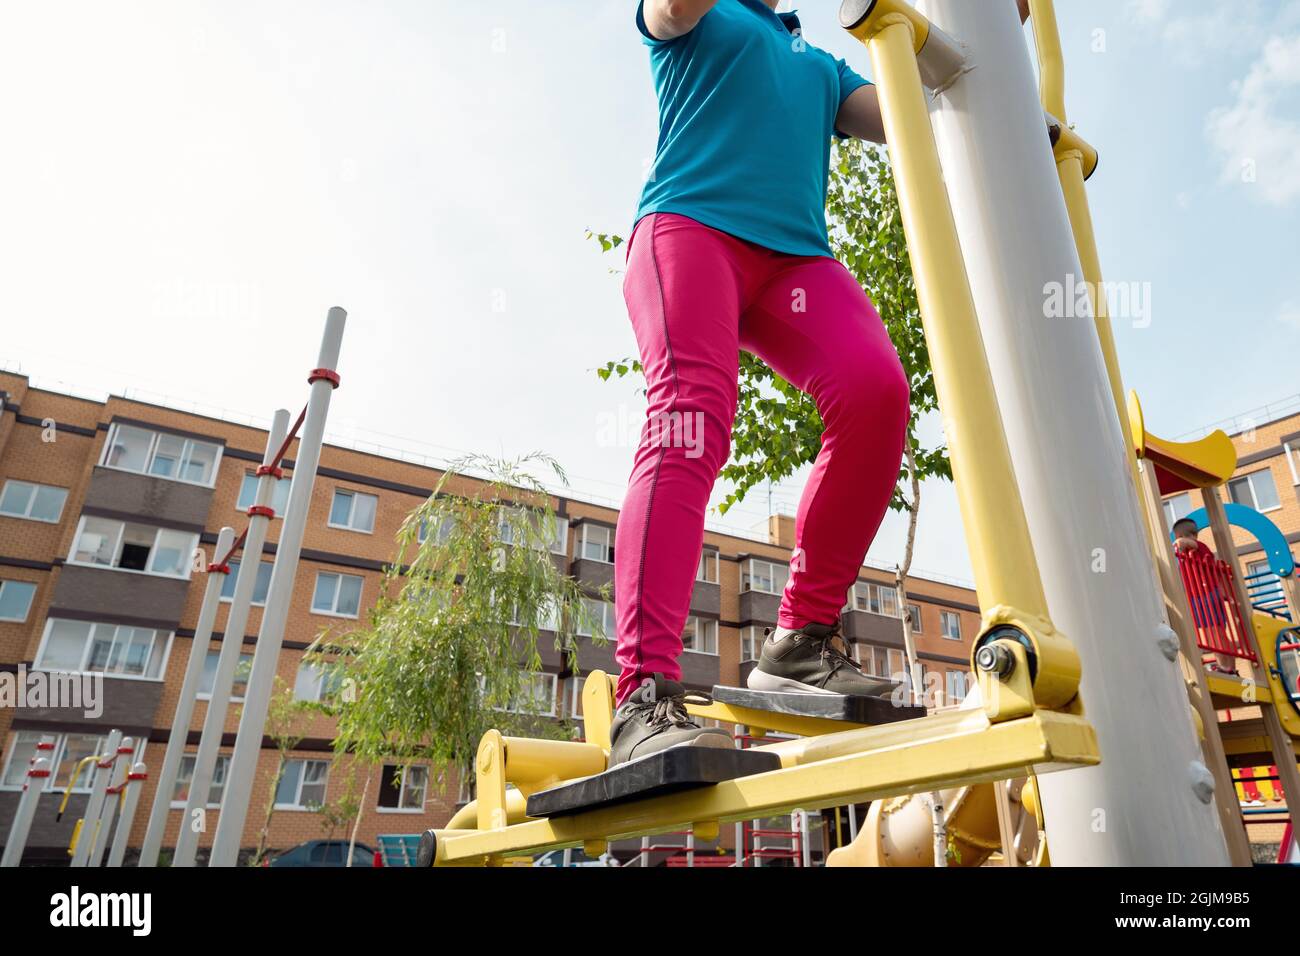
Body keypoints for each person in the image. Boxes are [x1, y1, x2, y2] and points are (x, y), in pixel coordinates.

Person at [607, 0, 1031, 767]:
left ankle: (800, 640)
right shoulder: (704, 16)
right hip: (690, 230)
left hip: (795, 263)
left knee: (877, 393)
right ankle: (643, 695)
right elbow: (669, 9)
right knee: (691, 418)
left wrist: (994, 19)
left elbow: (912, 110)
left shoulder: (818, 63)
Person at [1172, 517, 1237, 675]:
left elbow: (1190, 543)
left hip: (1208, 594)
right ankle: (1223, 665)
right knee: (1210, 635)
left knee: (1217, 632)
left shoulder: (1200, 547)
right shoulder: (1184, 556)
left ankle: (1228, 667)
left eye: (1178, 538)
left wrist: (1180, 542)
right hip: (1196, 598)